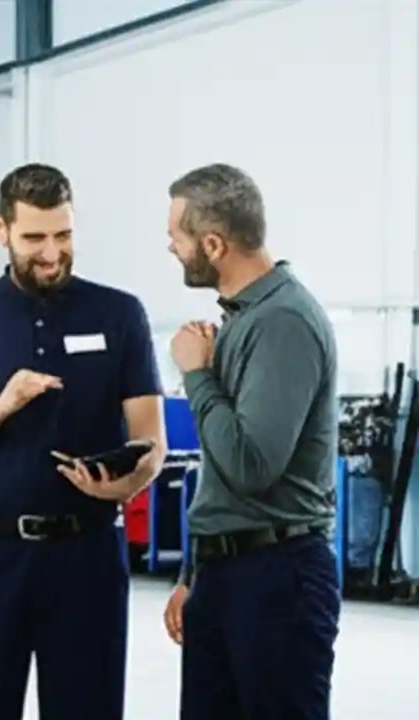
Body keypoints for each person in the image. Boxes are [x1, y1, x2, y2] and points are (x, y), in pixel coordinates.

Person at [0, 163, 166, 720]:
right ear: (0, 231)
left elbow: (152, 442)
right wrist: (4, 404)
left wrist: (120, 484)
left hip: (89, 555)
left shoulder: (120, 314)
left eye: (64, 235)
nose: (51, 253)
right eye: (34, 238)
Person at [159, 163, 341, 719]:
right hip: (230, 573)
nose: (170, 247)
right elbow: (223, 472)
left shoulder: (282, 322)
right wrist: (197, 572)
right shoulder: (244, 319)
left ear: (213, 243)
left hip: (277, 581)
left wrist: (196, 376)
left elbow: (251, 464)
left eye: (177, 237)